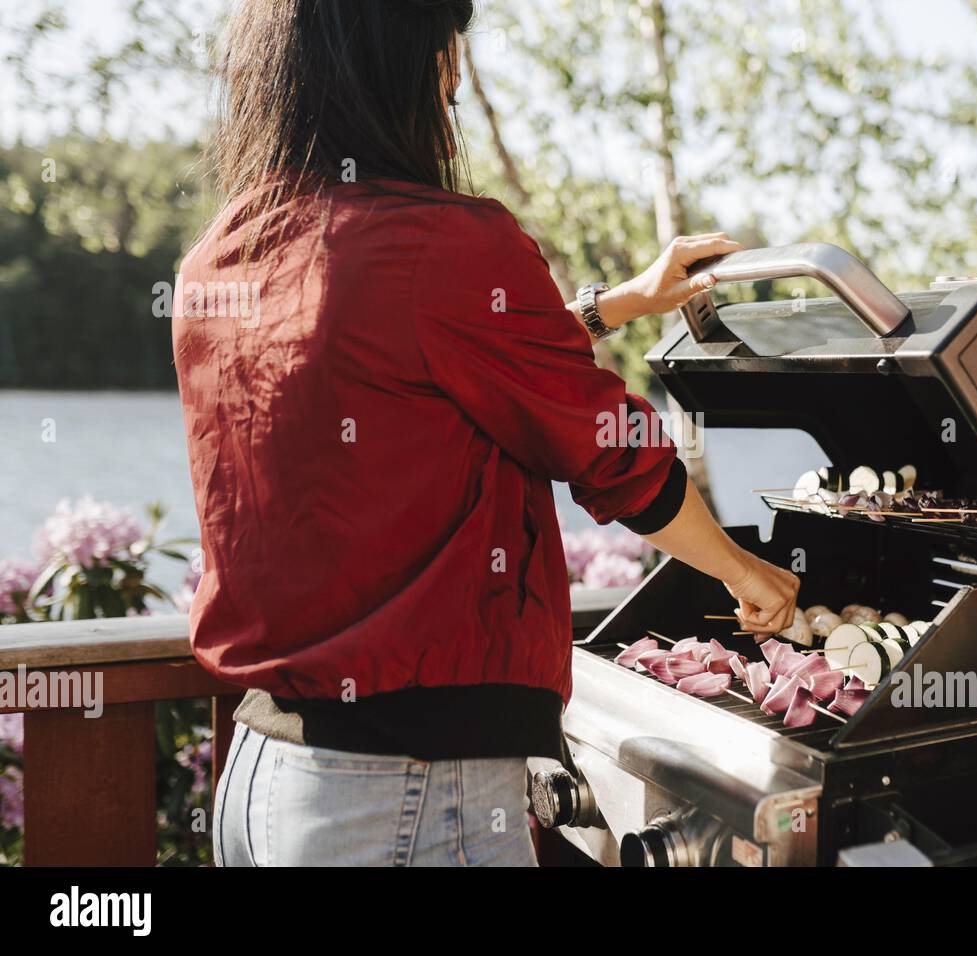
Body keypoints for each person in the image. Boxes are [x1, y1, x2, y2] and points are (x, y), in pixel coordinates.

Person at [174, 0, 799, 867]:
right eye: (447, 56)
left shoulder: (226, 252)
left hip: (262, 779)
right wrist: (746, 571)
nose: (456, 80)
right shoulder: (443, 243)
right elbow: (614, 452)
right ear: (404, 66)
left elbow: (418, 361)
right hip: (407, 789)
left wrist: (612, 305)